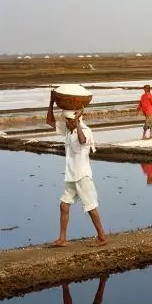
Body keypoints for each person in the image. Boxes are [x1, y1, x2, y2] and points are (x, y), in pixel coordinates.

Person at [46, 92, 107, 247]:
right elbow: (49, 121)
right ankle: (62, 239)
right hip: (71, 176)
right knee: (64, 205)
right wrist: (52, 102)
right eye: (66, 121)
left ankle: (102, 237)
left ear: (75, 120)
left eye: (68, 121)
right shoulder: (68, 130)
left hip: (82, 176)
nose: (65, 123)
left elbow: (82, 140)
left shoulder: (84, 130)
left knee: (91, 207)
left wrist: (78, 123)